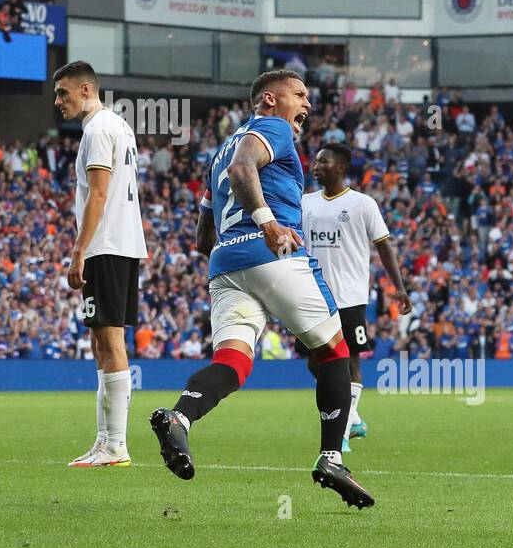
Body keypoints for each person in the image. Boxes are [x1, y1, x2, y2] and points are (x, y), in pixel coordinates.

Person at [149, 70, 374, 509]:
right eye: (299, 94)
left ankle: (180, 416)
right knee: (333, 352)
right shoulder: (269, 128)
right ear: (269, 99)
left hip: (226, 263)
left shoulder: (218, 152)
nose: (306, 104)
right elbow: (243, 167)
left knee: (232, 363)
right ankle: (332, 458)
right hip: (272, 250)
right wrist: (267, 223)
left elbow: (201, 237)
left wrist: (237, 254)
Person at [52, 61, 147, 468]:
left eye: (63, 93)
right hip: (122, 245)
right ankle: (106, 440)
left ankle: (116, 445)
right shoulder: (120, 127)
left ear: (85, 88)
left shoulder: (96, 130)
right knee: (100, 340)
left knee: (109, 341)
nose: (58, 102)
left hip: (106, 247)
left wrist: (79, 250)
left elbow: (99, 194)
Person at [301, 142, 411, 448]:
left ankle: (345, 432)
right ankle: (356, 418)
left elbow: (384, 246)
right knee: (315, 363)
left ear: (340, 168)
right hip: (313, 297)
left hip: (349, 298)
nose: (316, 166)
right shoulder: (305, 203)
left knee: (350, 363)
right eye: (316, 161)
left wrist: (398, 287)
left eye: (323, 162)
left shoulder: (363, 204)